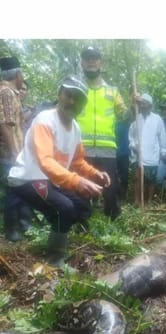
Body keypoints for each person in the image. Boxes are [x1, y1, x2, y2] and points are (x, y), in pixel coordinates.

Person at [6, 76, 111, 266]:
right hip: (28, 177)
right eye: (68, 95)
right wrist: (77, 181)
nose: (72, 101)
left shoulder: (76, 128)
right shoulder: (45, 120)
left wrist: (95, 174)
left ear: (83, 104)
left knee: (83, 205)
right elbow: (45, 161)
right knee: (65, 208)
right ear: (60, 95)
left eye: (77, 98)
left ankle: (61, 228)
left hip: (50, 179)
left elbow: (78, 162)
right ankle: (55, 259)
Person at [77, 46, 127, 220]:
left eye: (95, 58)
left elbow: (125, 115)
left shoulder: (112, 91)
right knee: (82, 185)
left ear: (101, 63)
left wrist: (135, 105)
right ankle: (82, 221)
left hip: (107, 147)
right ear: (82, 63)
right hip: (82, 147)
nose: (91, 61)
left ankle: (113, 218)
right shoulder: (77, 89)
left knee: (110, 186)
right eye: (87, 58)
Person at [0, 56, 28, 241]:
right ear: (17, 74)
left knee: (13, 189)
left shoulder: (7, 92)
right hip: (9, 152)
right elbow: (6, 124)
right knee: (14, 189)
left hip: (9, 151)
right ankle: (12, 230)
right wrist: (14, 152)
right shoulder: (7, 92)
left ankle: (20, 226)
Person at [128, 93, 166, 203]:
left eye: (144, 104)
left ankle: (149, 201)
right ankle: (137, 201)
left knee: (151, 180)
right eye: (141, 104)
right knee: (137, 178)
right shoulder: (137, 118)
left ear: (150, 106)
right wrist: (133, 145)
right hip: (138, 154)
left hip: (152, 154)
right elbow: (131, 135)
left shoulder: (157, 119)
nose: (142, 106)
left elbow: (162, 135)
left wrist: (163, 150)